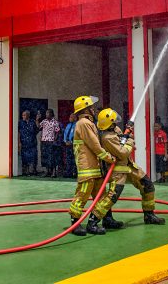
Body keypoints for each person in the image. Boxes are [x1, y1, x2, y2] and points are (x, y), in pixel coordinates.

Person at [93, 108, 166, 228]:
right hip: (118, 170)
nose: (116, 122)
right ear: (109, 123)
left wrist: (126, 135)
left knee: (147, 185)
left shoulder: (115, 129)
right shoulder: (107, 137)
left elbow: (122, 139)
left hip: (129, 165)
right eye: (113, 121)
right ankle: (94, 220)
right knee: (112, 196)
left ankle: (149, 215)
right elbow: (122, 153)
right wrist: (130, 140)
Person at [68, 95, 114, 236]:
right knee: (82, 194)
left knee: (101, 195)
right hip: (87, 168)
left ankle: (102, 220)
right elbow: (94, 145)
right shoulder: (83, 123)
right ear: (85, 109)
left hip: (95, 167)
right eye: (91, 107)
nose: (93, 109)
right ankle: (75, 223)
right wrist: (108, 157)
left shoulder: (89, 123)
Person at [39, 109, 61, 177]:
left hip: (51, 141)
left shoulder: (55, 122)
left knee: (52, 157)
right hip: (44, 141)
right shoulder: (44, 121)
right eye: (46, 113)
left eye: (48, 113)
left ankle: (53, 172)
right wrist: (37, 120)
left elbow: (57, 131)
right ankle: (47, 171)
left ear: (51, 114)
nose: (46, 114)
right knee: (45, 156)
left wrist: (55, 139)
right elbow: (39, 127)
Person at [18, 110, 39, 175]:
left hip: (32, 142)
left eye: (24, 115)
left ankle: (34, 170)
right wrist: (19, 142)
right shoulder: (20, 122)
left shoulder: (32, 122)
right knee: (25, 157)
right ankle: (26, 171)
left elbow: (36, 130)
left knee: (33, 157)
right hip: (24, 142)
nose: (23, 116)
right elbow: (18, 132)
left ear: (28, 115)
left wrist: (37, 120)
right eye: (22, 115)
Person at [62, 112, 78, 178]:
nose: (69, 118)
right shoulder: (68, 125)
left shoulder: (77, 125)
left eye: (71, 117)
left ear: (75, 118)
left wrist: (71, 141)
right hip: (67, 145)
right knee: (68, 159)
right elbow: (65, 133)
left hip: (74, 145)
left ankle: (75, 173)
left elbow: (76, 134)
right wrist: (65, 141)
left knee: (74, 159)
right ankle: (69, 172)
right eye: (69, 117)